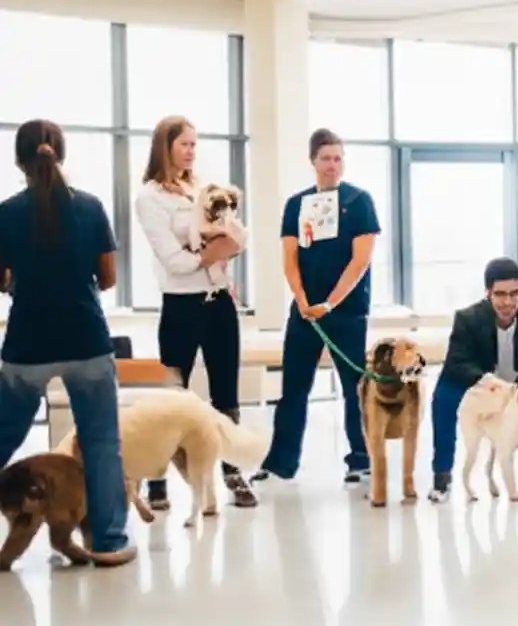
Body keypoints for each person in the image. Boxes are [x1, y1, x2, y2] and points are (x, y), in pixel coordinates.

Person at [0, 120, 134, 564]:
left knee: (2, 434)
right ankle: (109, 542)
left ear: (19, 160)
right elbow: (108, 277)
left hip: (27, 345)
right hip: (86, 340)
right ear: (60, 154)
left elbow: (1, 279)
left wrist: (21, 282)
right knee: (101, 444)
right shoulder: (91, 207)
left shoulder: (6, 213)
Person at [135, 115, 256, 510]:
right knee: (172, 397)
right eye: (184, 144)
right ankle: (157, 481)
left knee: (227, 395)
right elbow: (173, 261)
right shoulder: (150, 198)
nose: (191, 151)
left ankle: (233, 472)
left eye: (194, 144)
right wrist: (212, 253)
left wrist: (220, 251)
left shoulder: (203, 190)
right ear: (165, 147)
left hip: (219, 303)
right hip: (180, 307)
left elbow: (234, 235)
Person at [255, 128, 380, 484]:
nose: (332, 165)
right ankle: (280, 462)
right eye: (325, 158)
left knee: (354, 388)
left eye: (338, 158)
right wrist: (302, 300)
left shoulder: (359, 201)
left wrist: (331, 302)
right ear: (313, 161)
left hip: (347, 311)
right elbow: (290, 257)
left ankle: (361, 459)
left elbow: (361, 260)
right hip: (305, 312)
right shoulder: (297, 205)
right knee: (293, 388)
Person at [427, 258, 518, 501]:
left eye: (514, 293)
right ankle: (442, 476)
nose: (508, 302)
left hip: (517, 382)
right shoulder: (467, 318)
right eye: (500, 294)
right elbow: (456, 363)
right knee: (443, 396)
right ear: (487, 292)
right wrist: (487, 381)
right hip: (479, 380)